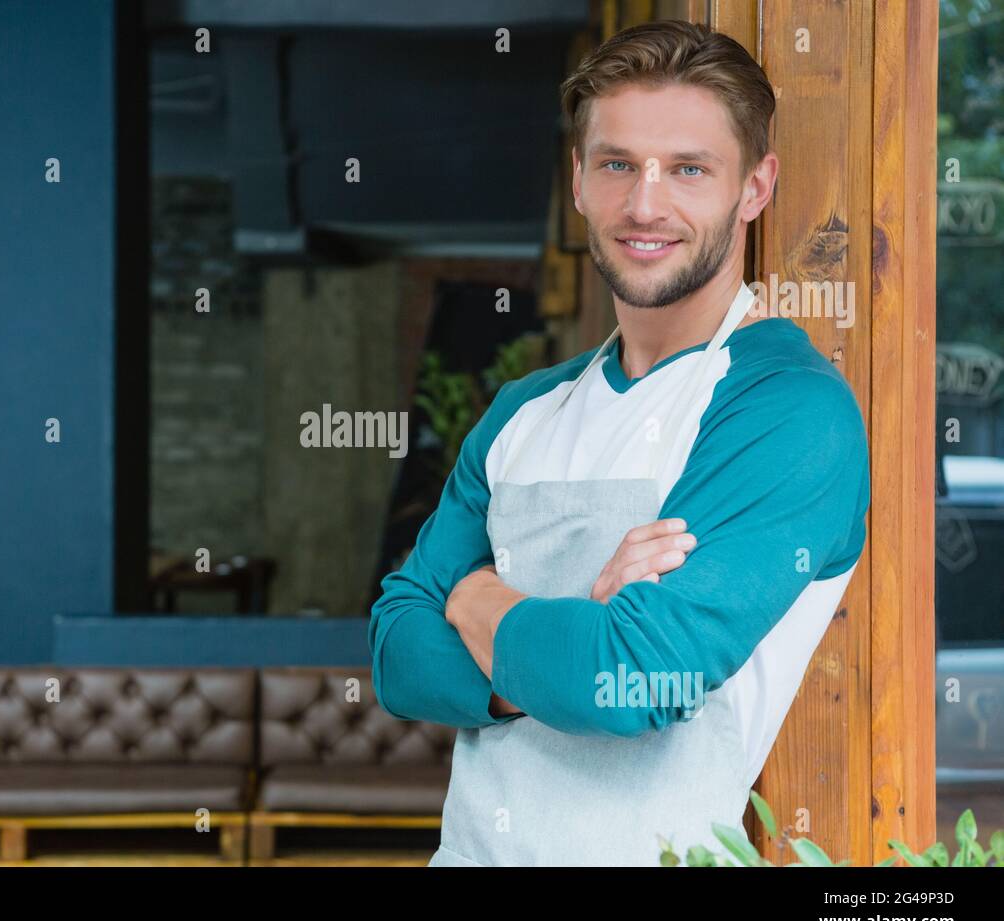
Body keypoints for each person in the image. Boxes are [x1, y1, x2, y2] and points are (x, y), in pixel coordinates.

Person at [367, 19, 870, 866]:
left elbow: (628, 682)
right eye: (617, 165)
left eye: (688, 170)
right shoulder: (525, 411)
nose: (645, 204)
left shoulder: (785, 411)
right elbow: (394, 654)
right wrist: (565, 642)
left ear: (754, 186)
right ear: (578, 180)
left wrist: (477, 601)